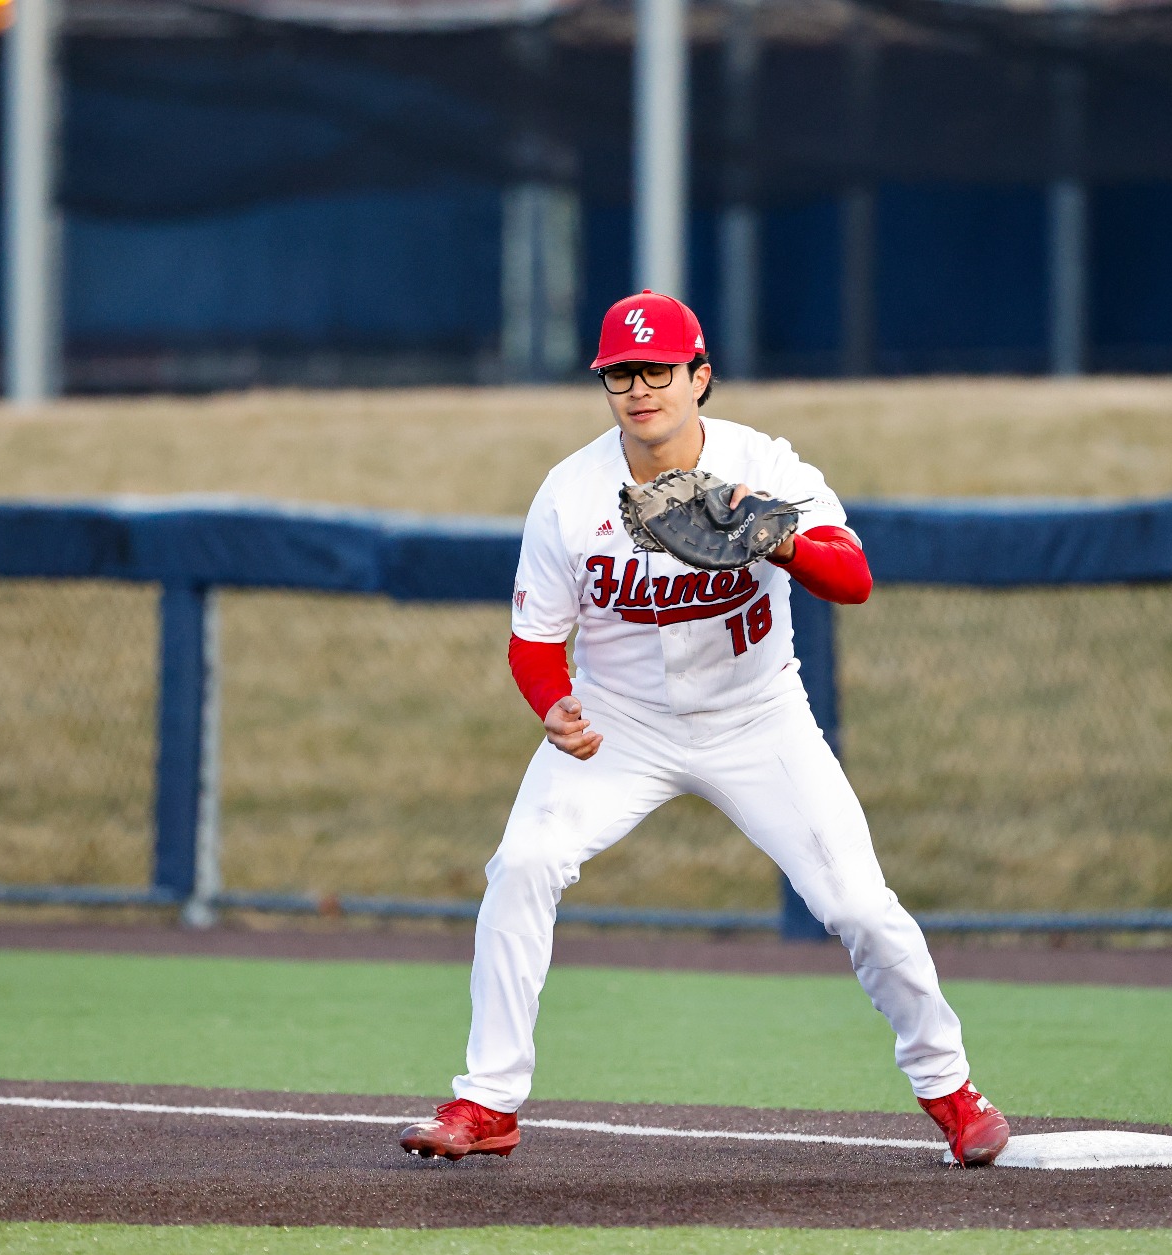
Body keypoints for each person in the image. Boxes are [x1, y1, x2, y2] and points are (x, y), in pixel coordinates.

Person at [398, 290, 1009, 1167]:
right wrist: (552, 704)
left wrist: (776, 535)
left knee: (856, 905)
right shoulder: (571, 494)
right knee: (523, 864)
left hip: (758, 717)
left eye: (658, 370)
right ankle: (487, 1102)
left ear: (701, 376)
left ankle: (951, 1090)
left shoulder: (764, 464)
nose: (639, 388)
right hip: (621, 722)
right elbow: (535, 640)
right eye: (620, 373)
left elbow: (855, 578)